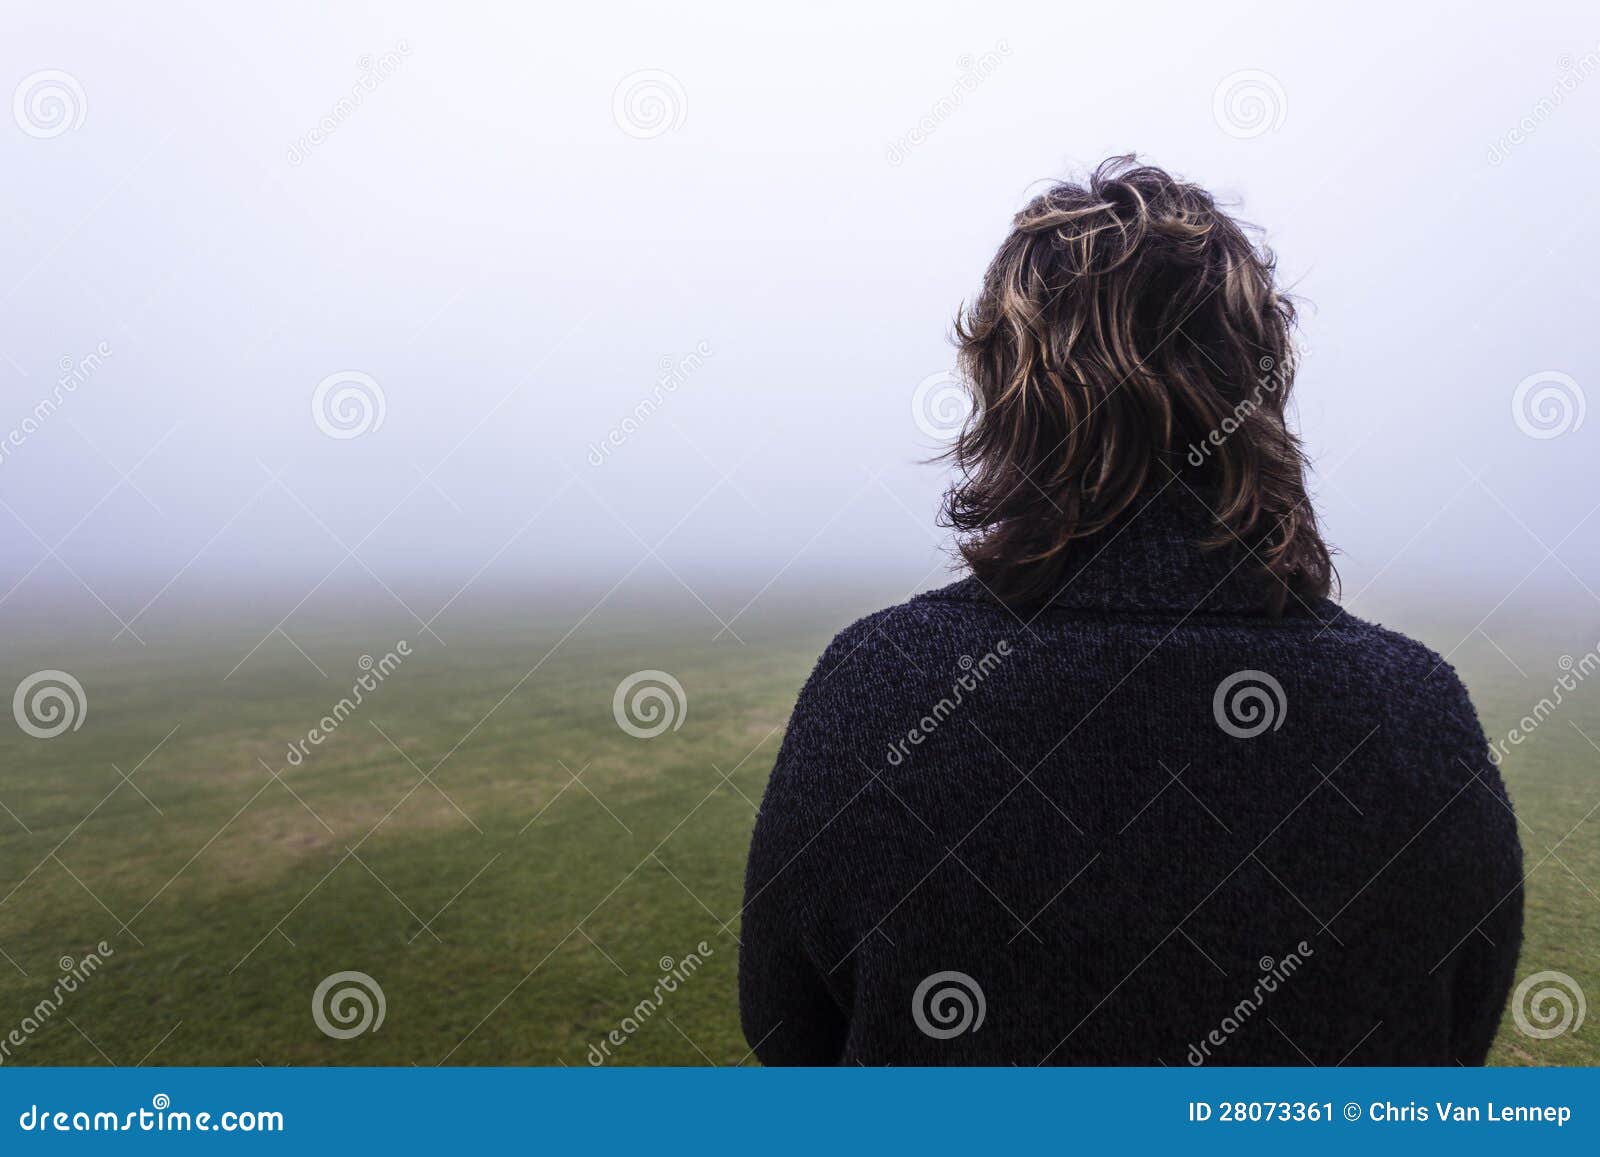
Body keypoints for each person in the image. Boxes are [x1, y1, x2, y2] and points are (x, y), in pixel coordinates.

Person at [738, 157, 1523, 1065]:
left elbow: (787, 1030)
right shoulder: (1414, 715)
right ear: (1260, 387)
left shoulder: (875, 690)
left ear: (1006, 394)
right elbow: (1457, 1036)